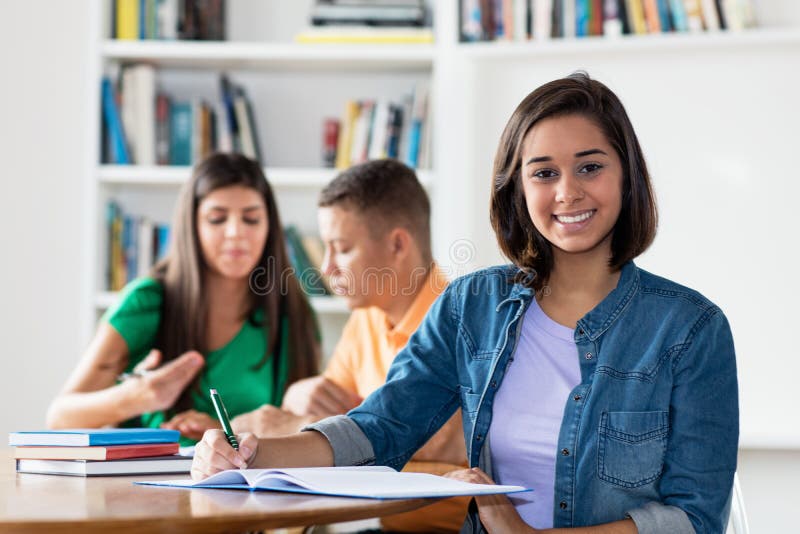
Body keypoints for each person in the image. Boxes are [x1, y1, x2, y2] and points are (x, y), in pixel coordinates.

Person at [191, 74, 739, 533]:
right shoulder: (472, 305)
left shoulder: (691, 329)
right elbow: (379, 428)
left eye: (590, 166)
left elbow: (693, 518)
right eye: (544, 172)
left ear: (627, 176)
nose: (567, 192)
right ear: (518, 190)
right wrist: (250, 455)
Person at [234, 159, 469, 532]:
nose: (325, 269)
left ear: (397, 245)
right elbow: (327, 413)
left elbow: (412, 442)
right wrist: (299, 396)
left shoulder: (462, 324)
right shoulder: (367, 317)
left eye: (341, 249)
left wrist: (300, 422)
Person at [46, 153, 320, 445]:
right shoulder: (147, 303)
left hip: (252, 484)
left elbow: (300, 433)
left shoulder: (292, 310)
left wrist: (223, 430)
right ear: (193, 226)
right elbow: (59, 418)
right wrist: (137, 397)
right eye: (217, 219)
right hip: (149, 484)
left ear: (270, 226)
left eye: (251, 219)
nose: (236, 232)